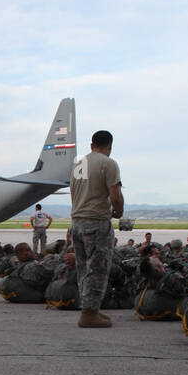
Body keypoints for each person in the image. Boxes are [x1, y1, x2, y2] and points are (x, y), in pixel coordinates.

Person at [69, 130, 124, 328]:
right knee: (98, 268)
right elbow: (115, 195)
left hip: (77, 221)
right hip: (96, 221)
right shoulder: (108, 163)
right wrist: (118, 211)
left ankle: (88, 307)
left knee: (83, 267)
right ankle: (90, 313)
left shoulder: (79, 164)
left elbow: (73, 193)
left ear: (91, 145)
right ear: (109, 145)